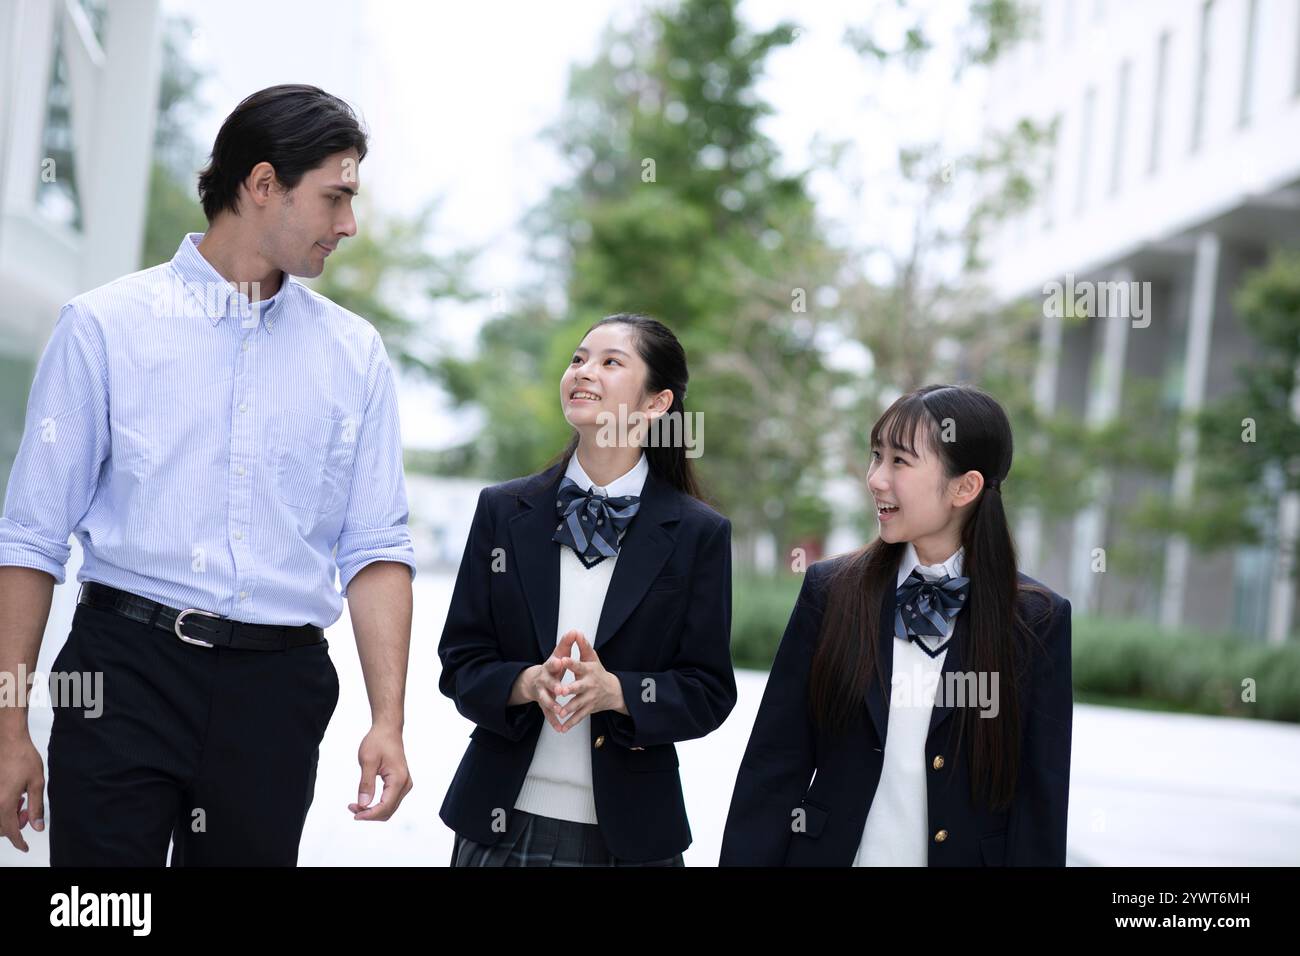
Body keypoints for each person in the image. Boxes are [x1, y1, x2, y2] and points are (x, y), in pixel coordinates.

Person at [0, 84, 416, 865]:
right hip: (123, 671)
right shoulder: (103, 327)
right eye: (334, 197)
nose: (347, 225)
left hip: (277, 688)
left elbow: (376, 547)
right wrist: (7, 728)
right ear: (263, 186)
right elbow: (28, 538)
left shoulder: (354, 355)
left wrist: (387, 719)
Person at [720, 383, 1072, 866]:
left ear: (964, 487)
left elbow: (1040, 802)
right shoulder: (832, 590)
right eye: (876, 456)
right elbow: (774, 765)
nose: (876, 479)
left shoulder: (1037, 620)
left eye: (900, 462)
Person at [438, 313, 735, 866]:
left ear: (656, 404)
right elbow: (459, 663)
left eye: (610, 361)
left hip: (631, 837)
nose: (583, 371)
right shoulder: (503, 510)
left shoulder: (699, 533)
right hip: (501, 823)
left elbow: (709, 691)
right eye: (578, 359)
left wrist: (617, 692)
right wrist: (526, 682)